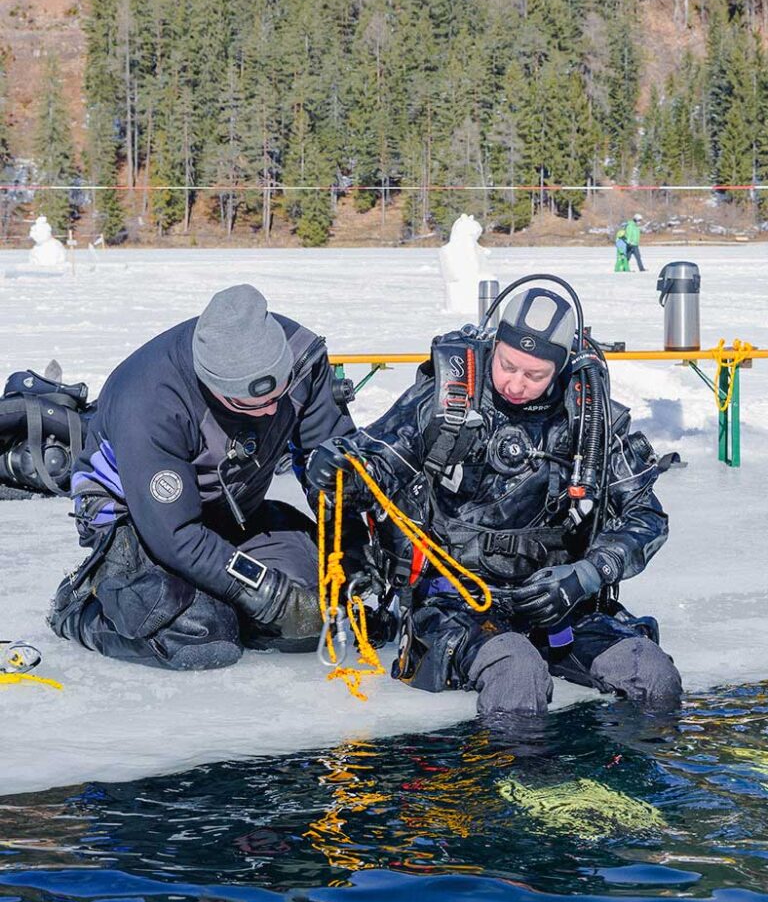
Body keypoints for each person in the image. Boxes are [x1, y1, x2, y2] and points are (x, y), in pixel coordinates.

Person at [306, 286, 682, 716]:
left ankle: (631, 776)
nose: (516, 383)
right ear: (494, 344)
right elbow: (376, 461)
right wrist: (338, 471)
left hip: (560, 602)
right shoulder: (449, 398)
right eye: (507, 365)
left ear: (559, 370)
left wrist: (587, 575)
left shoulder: (589, 418)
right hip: (457, 602)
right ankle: (510, 780)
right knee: (517, 673)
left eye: (535, 375)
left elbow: (645, 517)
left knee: (652, 674)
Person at [49, 284, 356, 670]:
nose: (267, 412)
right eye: (249, 404)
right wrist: (271, 597)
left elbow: (334, 468)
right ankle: (85, 608)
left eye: (277, 397)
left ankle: (222, 593)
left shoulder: (304, 359)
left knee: (315, 616)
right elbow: (176, 536)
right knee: (201, 637)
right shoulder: (148, 402)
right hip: (141, 523)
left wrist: (357, 550)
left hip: (231, 510)